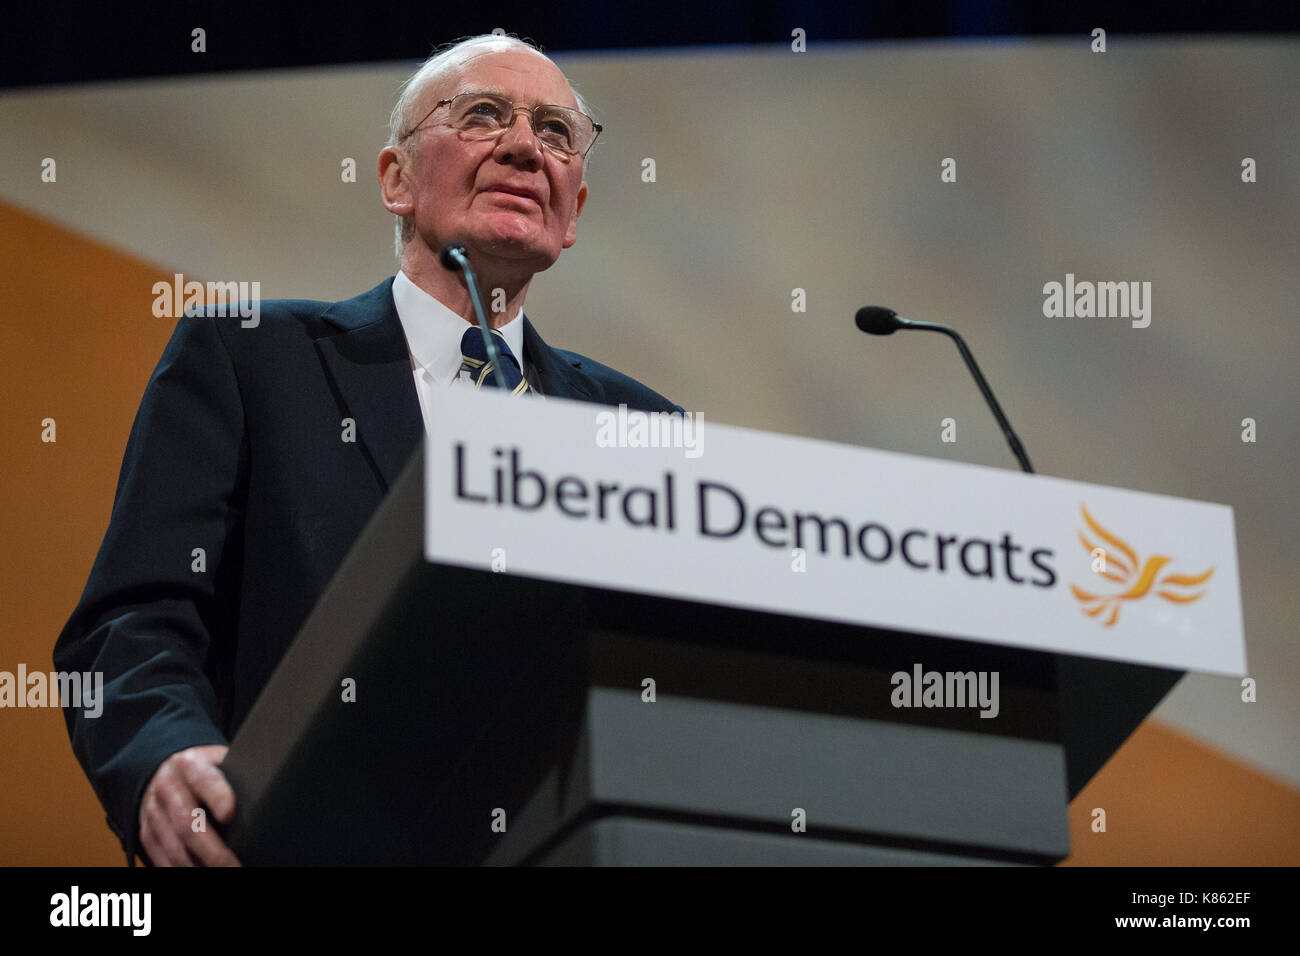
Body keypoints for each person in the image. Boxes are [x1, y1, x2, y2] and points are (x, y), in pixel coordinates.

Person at [53, 34, 683, 867]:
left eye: (558, 133)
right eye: (484, 115)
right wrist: (163, 760)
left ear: (573, 214)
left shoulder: (643, 428)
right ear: (394, 179)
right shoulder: (251, 358)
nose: (527, 147)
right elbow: (133, 625)